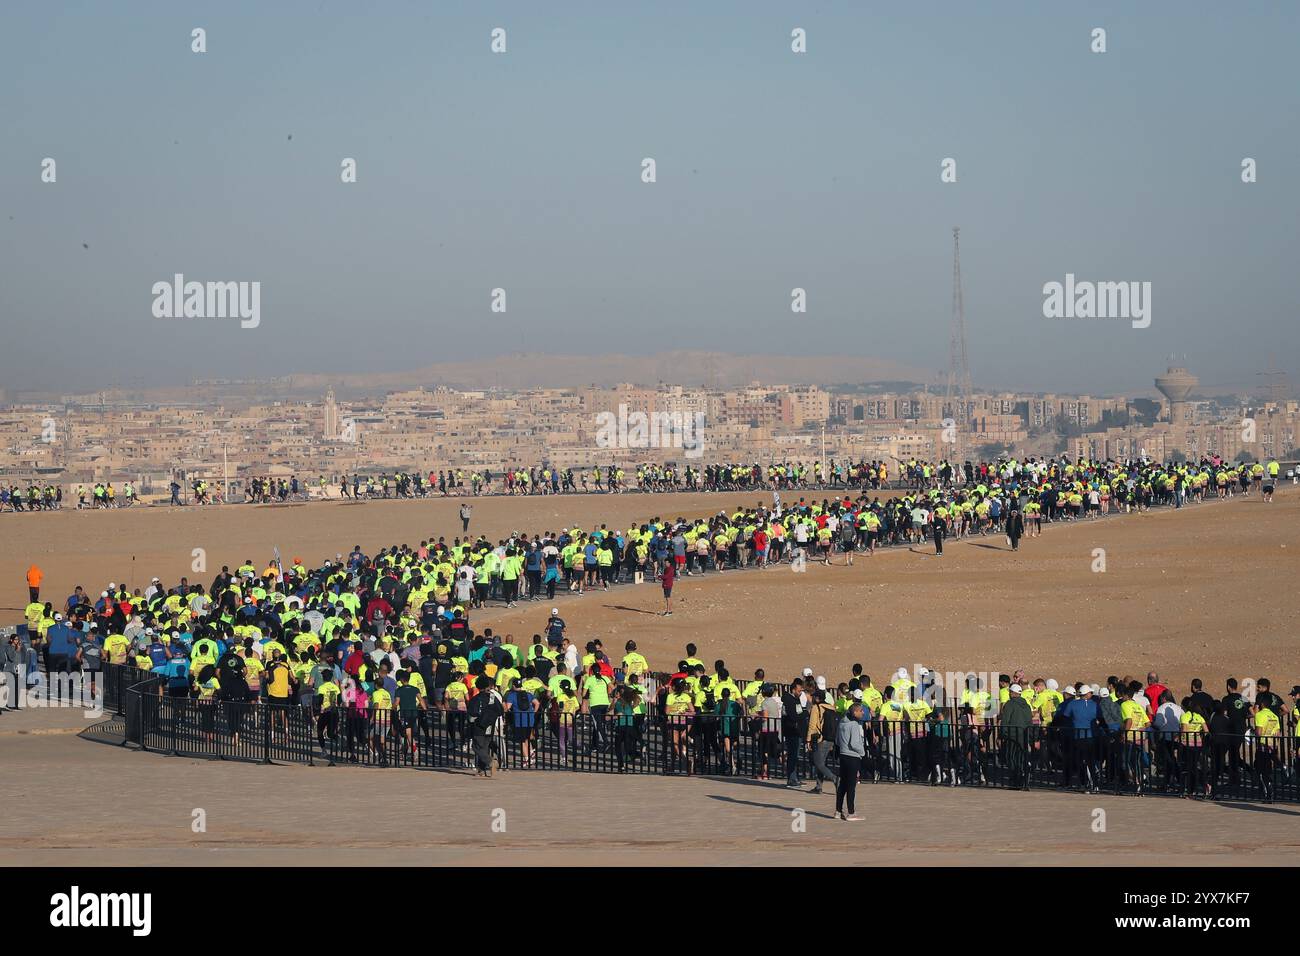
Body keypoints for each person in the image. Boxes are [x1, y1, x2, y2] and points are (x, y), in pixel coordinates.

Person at [835, 702, 865, 821]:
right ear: (855, 712)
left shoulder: (842, 722)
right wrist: (862, 752)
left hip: (843, 756)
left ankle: (838, 811)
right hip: (853, 757)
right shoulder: (853, 724)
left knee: (842, 784)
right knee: (851, 786)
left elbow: (837, 740)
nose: (862, 712)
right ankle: (851, 813)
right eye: (860, 711)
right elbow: (854, 743)